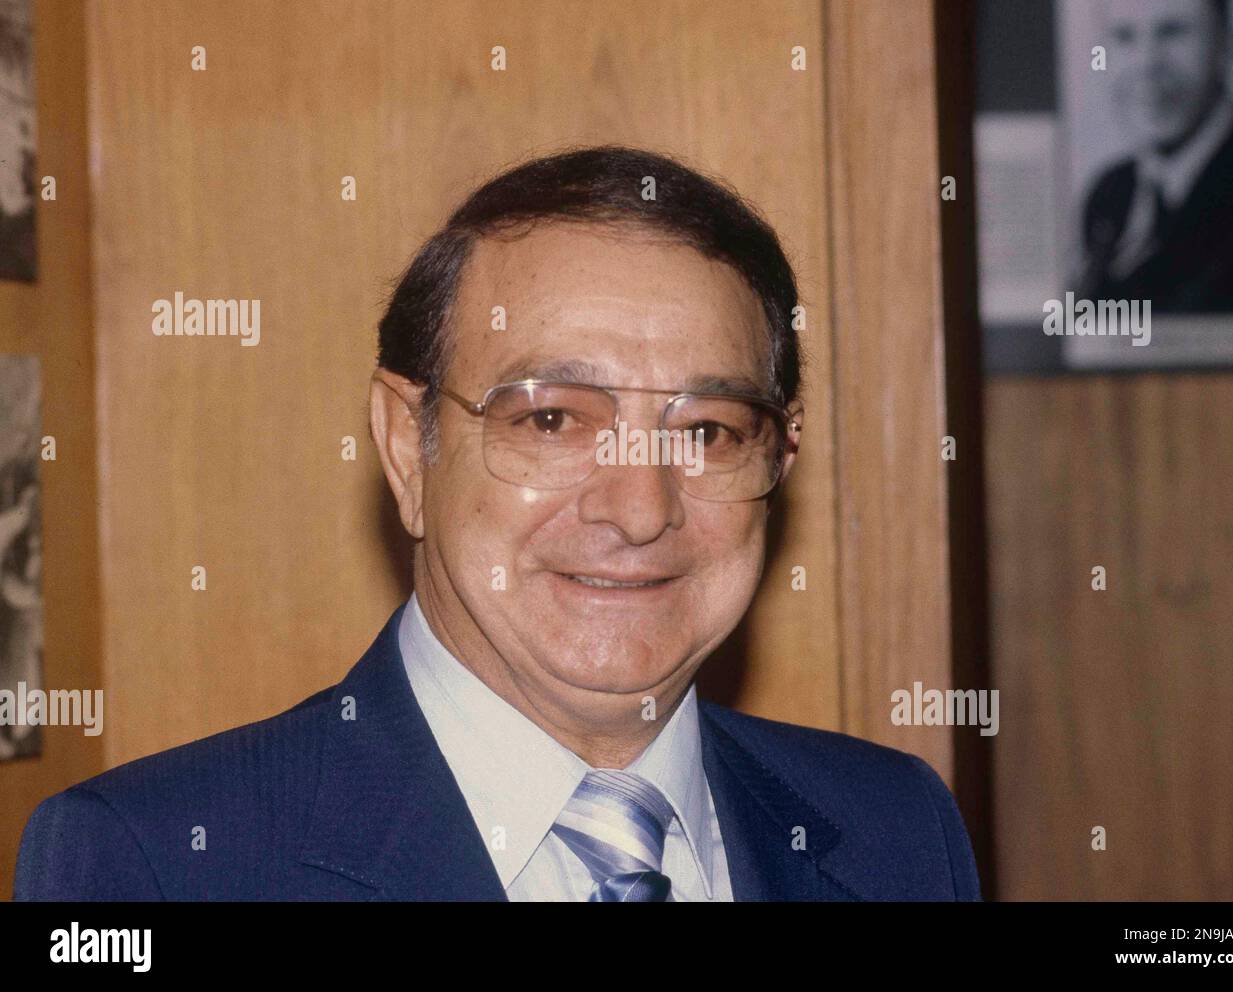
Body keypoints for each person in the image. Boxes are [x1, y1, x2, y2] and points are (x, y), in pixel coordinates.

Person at [14, 146, 980, 901]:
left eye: (710, 431)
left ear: (781, 457)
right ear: (407, 446)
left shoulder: (895, 832)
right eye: (552, 420)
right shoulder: (161, 864)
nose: (640, 509)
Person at [1075, 0, 1233, 311]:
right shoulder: (1109, 194)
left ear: (1229, 47)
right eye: (1125, 36)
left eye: (1173, 32)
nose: (1146, 63)